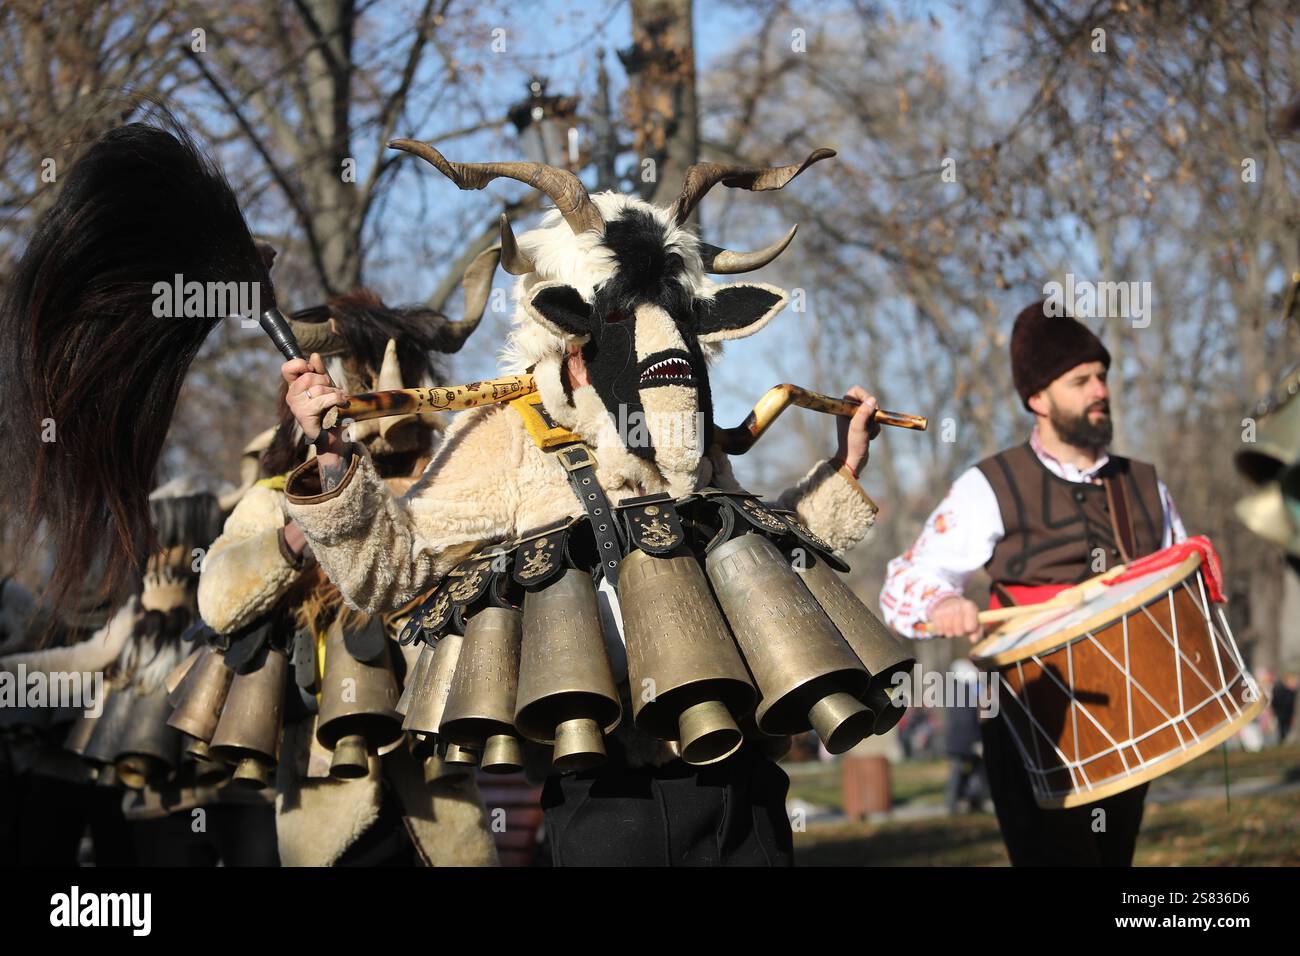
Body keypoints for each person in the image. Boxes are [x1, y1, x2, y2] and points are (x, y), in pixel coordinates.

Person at [278, 141, 883, 865]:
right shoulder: (507, 435)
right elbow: (395, 575)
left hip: (742, 783)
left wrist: (842, 474)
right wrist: (337, 464)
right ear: (570, 326)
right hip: (605, 797)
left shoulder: (691, 437)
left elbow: (757, 555)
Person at [881, 300, 1186, 866]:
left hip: (1132, 718)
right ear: (1037, 399)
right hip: (1027, 721)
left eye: (1102, 376)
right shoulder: (990, 485)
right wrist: (943, 601)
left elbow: (1180, 589)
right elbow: (905, 580)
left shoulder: (1145, 485)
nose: (1100, 390)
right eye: (1080, 380)